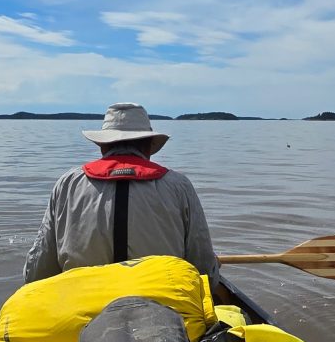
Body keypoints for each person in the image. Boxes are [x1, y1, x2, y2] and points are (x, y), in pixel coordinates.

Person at [23, 102, 222, 283]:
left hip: (85, 311)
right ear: (148, 146)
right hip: (161, 311)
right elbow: (203, 268)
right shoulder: (179, 186)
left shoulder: (67, 184)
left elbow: (37, 273)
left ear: (102, 146)